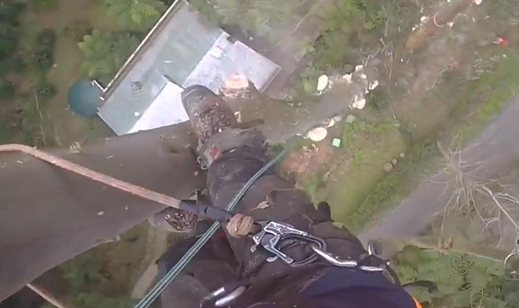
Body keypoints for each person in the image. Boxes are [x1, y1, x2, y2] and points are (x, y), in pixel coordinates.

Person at [151, 85, 519, 308]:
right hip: (324, 274)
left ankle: (204, 226)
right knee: (247, 191)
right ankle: (225, 150)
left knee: (185, 267)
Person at [149, 85, 417, 308]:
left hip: (259, 294)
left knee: (181, 271)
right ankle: (226, 144)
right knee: (241, 187)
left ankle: (203, 224)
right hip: (322, 276)